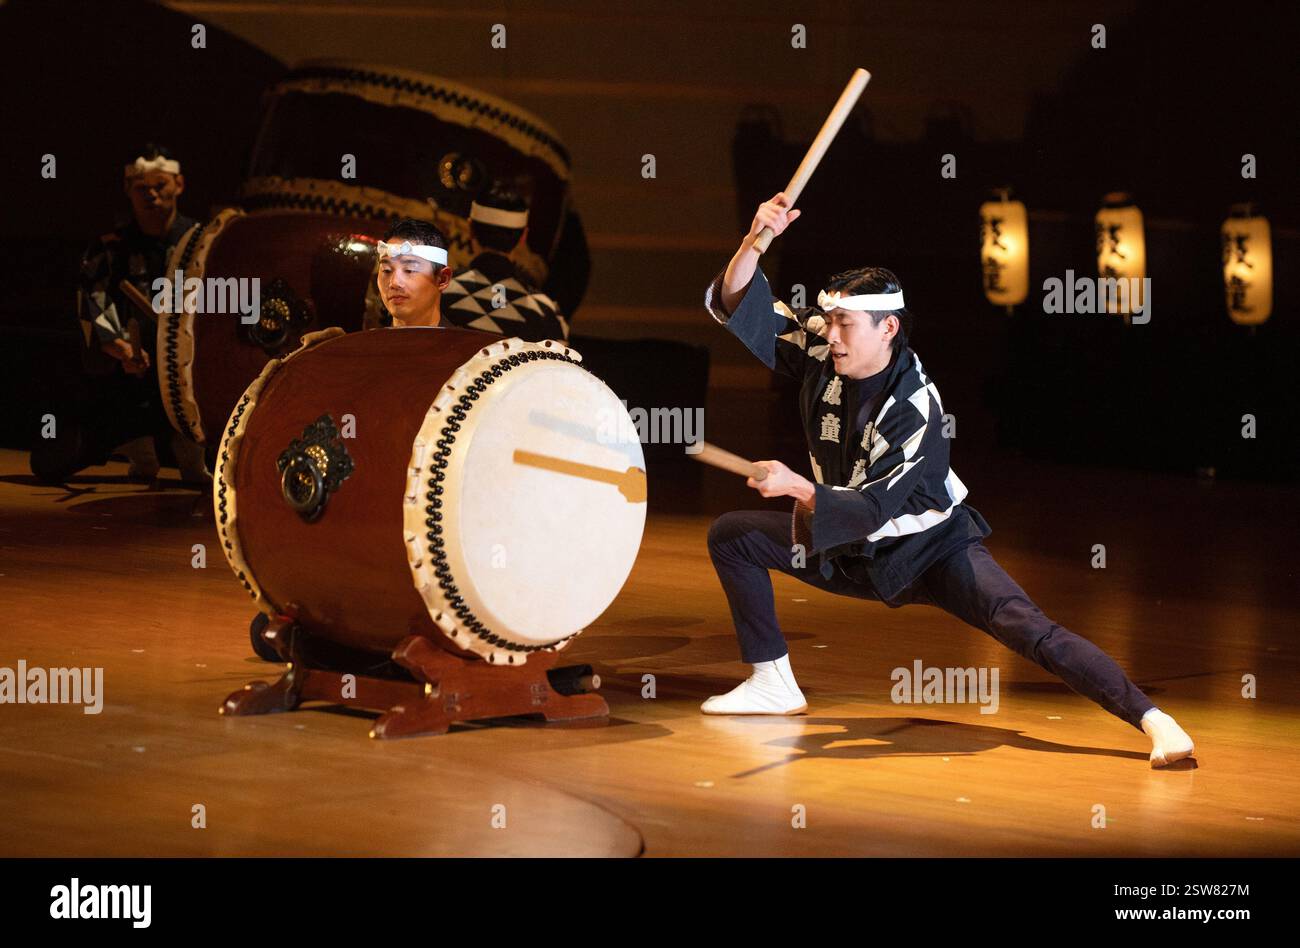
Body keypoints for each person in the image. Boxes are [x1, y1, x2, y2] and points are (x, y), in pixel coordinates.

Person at [700, 193, 1196, 769]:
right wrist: (755, 240)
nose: (831, 335)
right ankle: (773, 683)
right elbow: (740, 301)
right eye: (828, 320)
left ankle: (1153, 720)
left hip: (931, 551)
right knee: (734, 536)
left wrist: (799, 488)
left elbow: (873, 507)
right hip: (850, 550)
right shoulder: (821, 348)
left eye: (845, 324)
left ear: (888, 328)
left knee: (1028, 629)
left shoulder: (914, 404)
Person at [64, 143, 208, 487]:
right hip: (132, 363)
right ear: (128, 190)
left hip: (189, 361)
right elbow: (93, 295)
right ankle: (140, 453)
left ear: (179, 184)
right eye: (142, 188)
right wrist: (119, 345)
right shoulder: (111, 247)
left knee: (195, 386)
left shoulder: (202, 241)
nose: (152, 194)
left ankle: (193, 457)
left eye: (160, 185)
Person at [439, 184, 568, 342]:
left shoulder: (438, 290)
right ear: (523, 237)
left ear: (470, 228)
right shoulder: (545, 311)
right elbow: (559, 366)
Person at [375, 218, 453, 327]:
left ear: (442, 279)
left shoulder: (467, 344)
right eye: (386, 270)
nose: (394, 283)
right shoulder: (367, 343)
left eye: (409, 270)